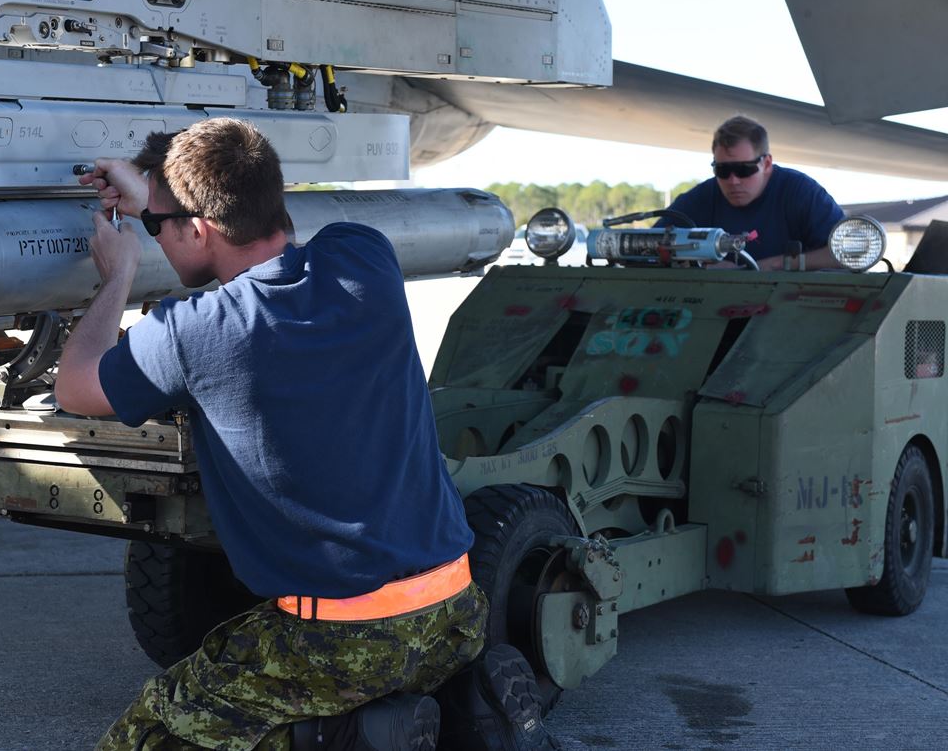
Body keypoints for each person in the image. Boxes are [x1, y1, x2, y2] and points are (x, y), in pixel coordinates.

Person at [55, 117, 558, 751]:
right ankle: (465, 702)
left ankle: (349, 734)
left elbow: (75, 387)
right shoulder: (364, 256)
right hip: (456, 608)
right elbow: (278, 238)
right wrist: (160, 195)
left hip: (342, 637)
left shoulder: (197, 331)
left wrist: (118, 274)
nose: (153, 239)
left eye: (157, 228)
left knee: (149, 735)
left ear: (198, 229)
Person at [659, 115, 845, 270]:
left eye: (744, 170)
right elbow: (647, 246)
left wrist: (774, 265)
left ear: (767, 164)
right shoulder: (702, 197)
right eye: (722, 171)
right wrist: (698, 265)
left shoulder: (801, 193)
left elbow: (850, 251)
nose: (733, 181)